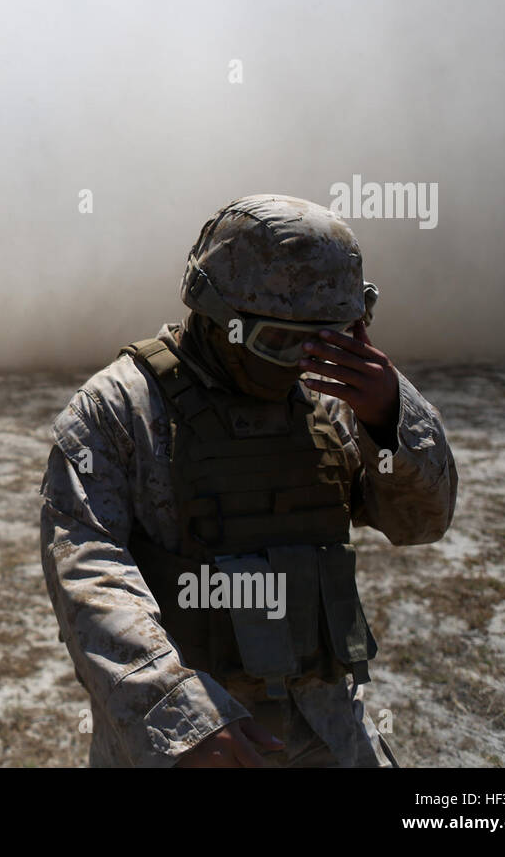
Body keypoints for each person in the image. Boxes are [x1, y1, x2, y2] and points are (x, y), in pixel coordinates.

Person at [39, 194, 458, 767]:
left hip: (329, 729)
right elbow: (88, 573)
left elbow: (419, 524)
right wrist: (179, 714)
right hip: (194, 742)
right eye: (279, 342)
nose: (300, 362)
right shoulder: (119, 411)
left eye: (326, 339)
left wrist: (392, 418)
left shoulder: (330, 398)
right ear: (217, 315)